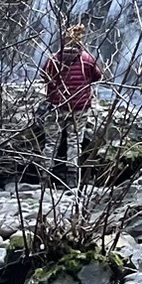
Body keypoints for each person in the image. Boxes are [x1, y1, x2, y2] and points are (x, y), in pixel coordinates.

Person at [40, 24, 102, 182]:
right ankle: (72, 177)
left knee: (52, 141)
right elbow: (98, 76)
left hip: (56, 105)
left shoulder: (53, 60)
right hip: (80, 107)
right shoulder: (87, 60)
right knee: (75, 140)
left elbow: (44, 76)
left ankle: (45, 176)